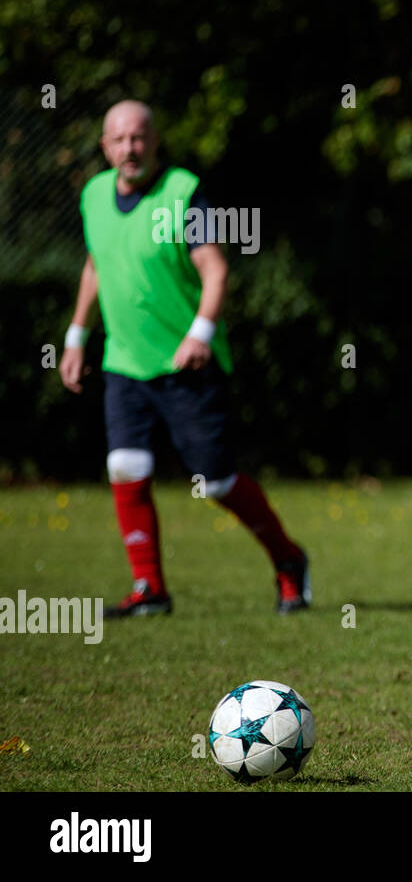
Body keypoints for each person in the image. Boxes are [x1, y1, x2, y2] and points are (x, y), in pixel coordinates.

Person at [60, 100, 310, 618]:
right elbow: (95, 265)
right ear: (104, 147)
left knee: (216, 480)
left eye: (139, 137)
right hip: (124, 362)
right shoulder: (92, 197)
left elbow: (216, 271)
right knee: (125, 466)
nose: (130, 148)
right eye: (120, 139)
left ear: (155, 142)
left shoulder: (184, 193)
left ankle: (288, 561)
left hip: (186, 366)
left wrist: (200, 333)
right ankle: (149, 588)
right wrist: (76, 335)